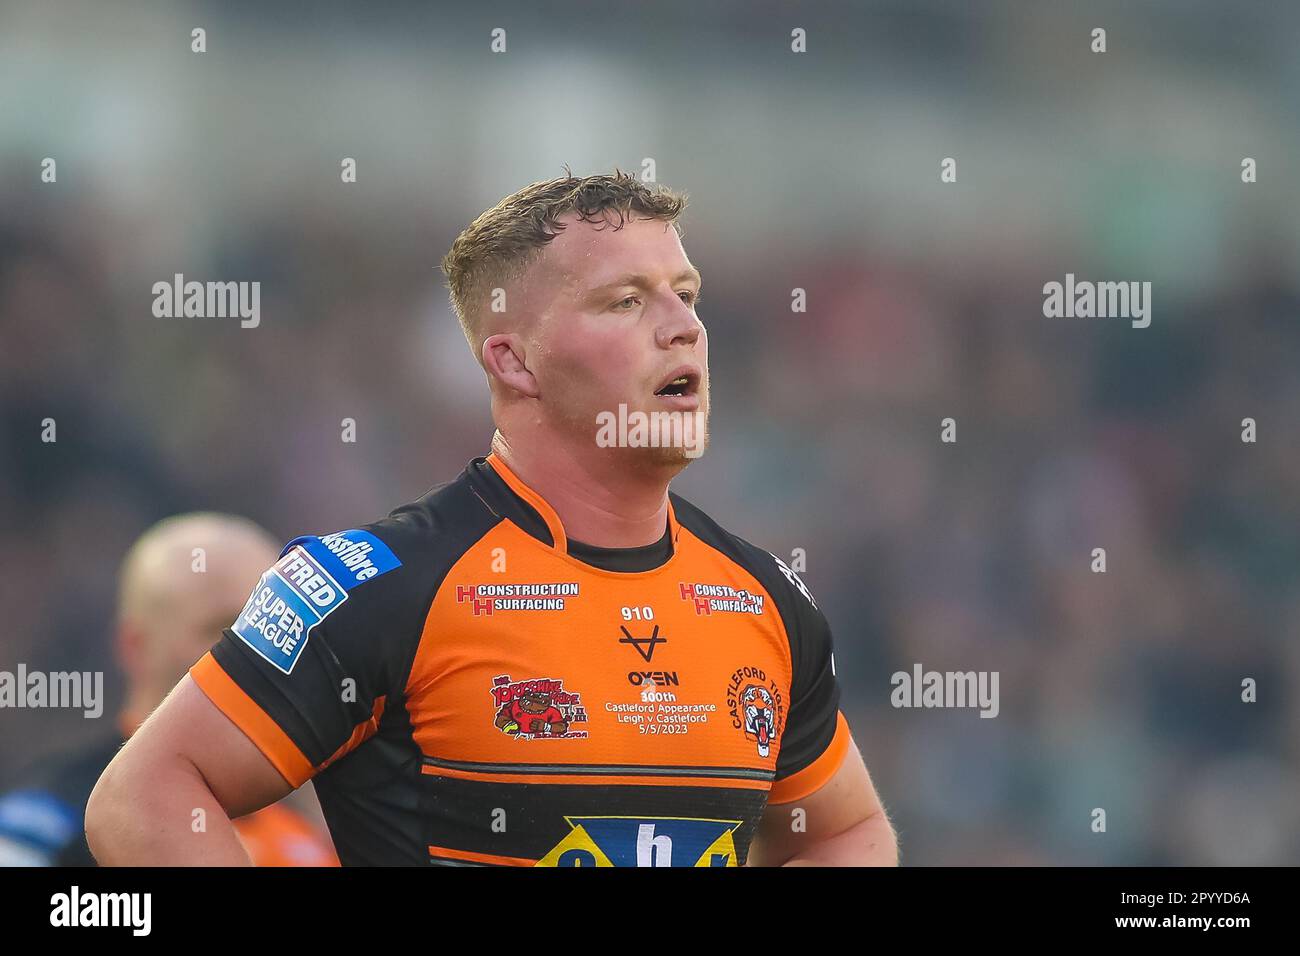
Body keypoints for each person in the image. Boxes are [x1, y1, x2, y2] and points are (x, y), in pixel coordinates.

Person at [86, 170, 898, 866]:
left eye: (685, 295)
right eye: (625, 301)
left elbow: (847, 830)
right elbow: (144, 796)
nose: (683, 325)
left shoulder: (765, 601)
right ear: (513, 359)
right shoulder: (376, 587)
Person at [0, 514, 337, 866]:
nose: (253, 652)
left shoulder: (309, 836)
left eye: (266, 626)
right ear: (135, 647)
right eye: (222, 629)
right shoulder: (41, 830)